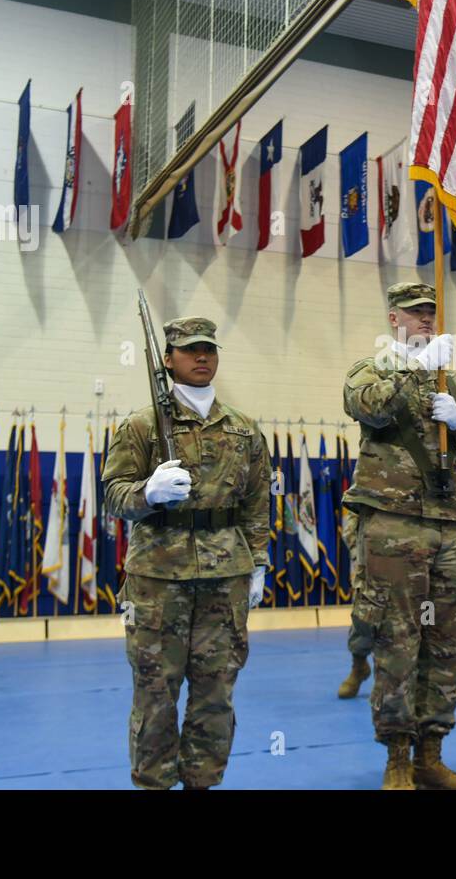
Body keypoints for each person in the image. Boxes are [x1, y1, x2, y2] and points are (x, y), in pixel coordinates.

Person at [102, 317, 271, 789]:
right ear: (167, 359)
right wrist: (148, 494)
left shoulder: (244, 429)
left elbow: (258, 504)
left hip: (225, 577)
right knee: (156, 693)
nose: (202, 357)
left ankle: (203, 782)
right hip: (157, 579)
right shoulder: (140, 425)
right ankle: (154, 784)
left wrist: (258, 562)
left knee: (215, 692)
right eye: (191, 349)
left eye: (209, 349)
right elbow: (113, 494)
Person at [343, 282, 456, 790]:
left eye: (433, 313)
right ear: (394, 320)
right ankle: (396, 757)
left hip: (452, 525)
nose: (427, 319)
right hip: (394, 523)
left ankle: (431, 753)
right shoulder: (371, 369)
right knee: (396, 640)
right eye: (416, 313)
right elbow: (366, 406)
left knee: (451, 643)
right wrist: (414, 365)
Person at [336, 506, 372, 698]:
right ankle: (359, 666)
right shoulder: (369, 476)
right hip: (370, 556)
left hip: (411, 557)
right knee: (363, 615)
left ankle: (409, 674)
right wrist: (358, 551)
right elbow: (352, 513)